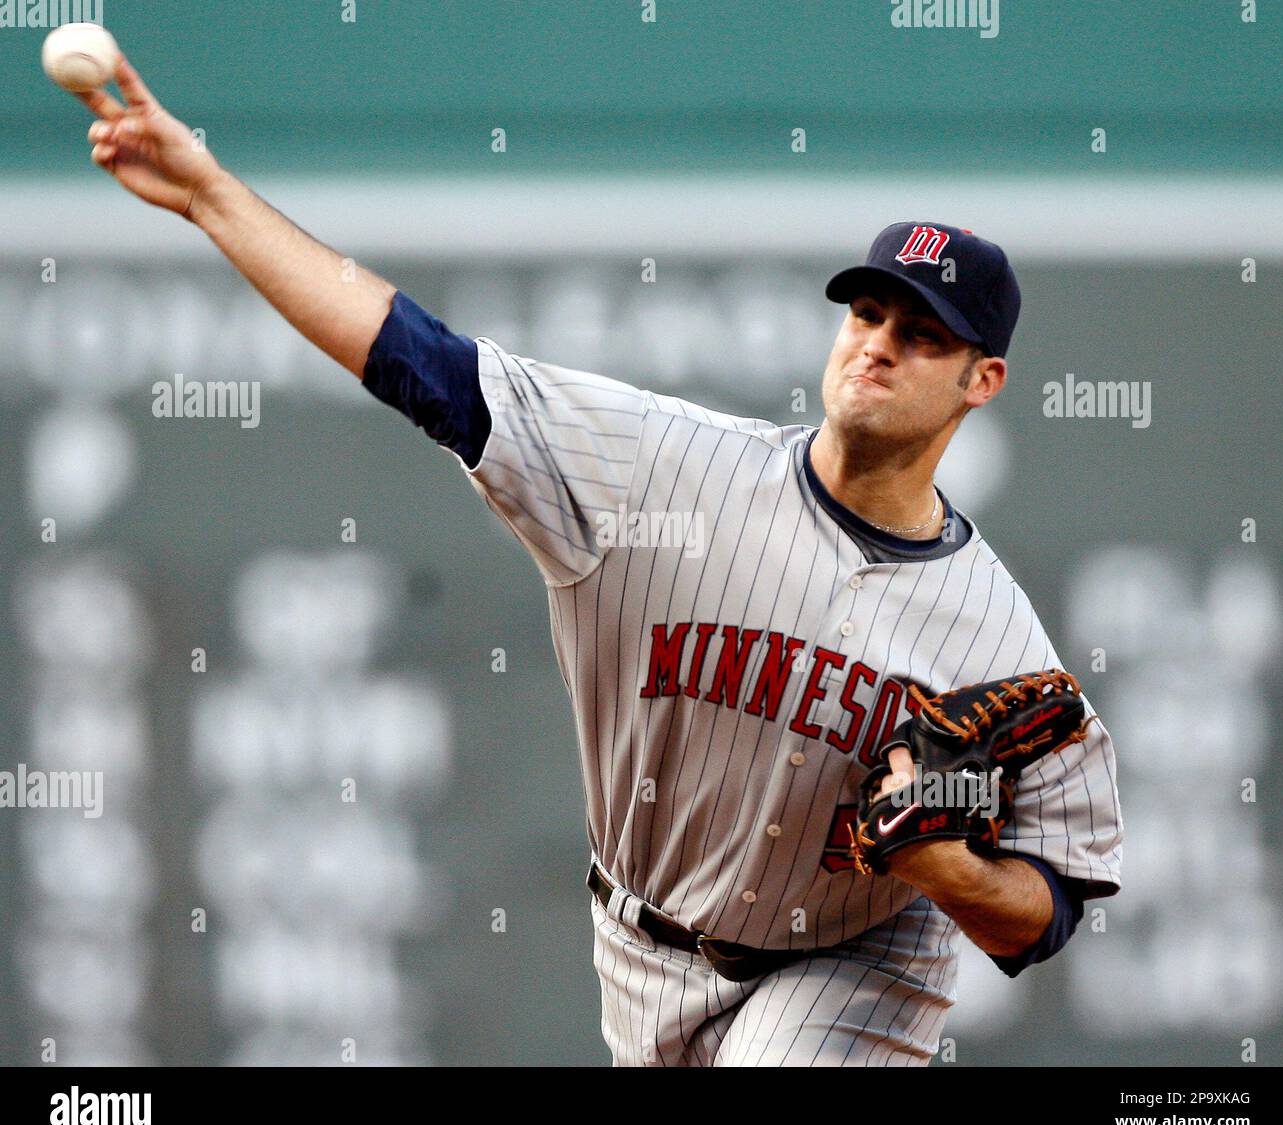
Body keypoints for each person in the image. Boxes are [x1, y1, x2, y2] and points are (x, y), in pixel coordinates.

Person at [78, 57, 1122, 1067]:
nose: (877, 343)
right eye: (866, 311)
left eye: (923, 334)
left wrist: (949, 872)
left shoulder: (996, 637)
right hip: (637, 942)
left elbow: (1050, 908)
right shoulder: (657, 474)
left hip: (859, 959)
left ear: (981, 378)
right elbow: (417, 359)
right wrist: (211, 197)